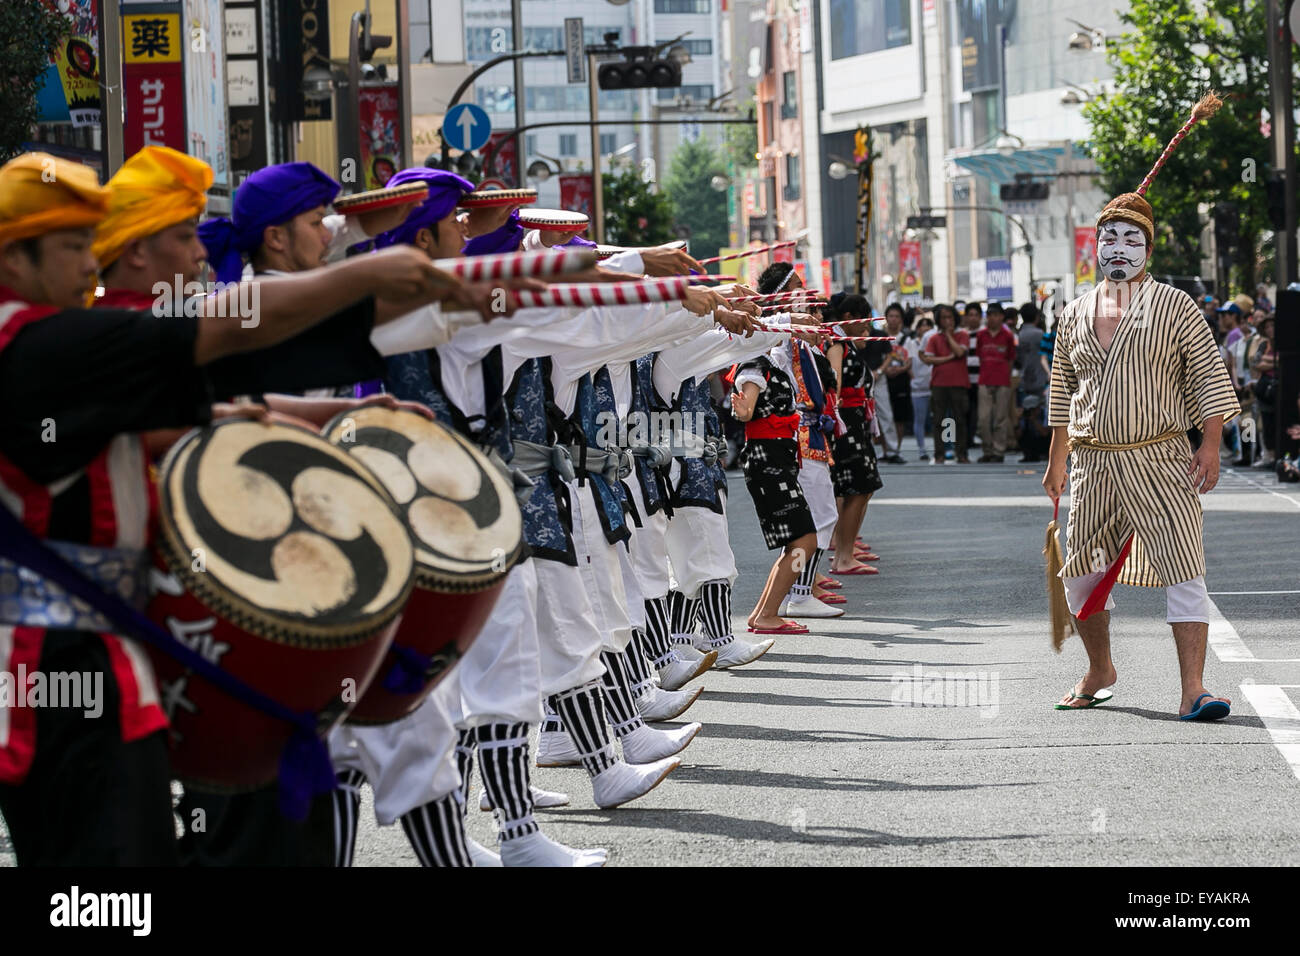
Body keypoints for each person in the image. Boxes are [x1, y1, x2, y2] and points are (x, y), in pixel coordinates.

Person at [0, 151, 450, 865]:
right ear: (12, 260)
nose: (87, 265)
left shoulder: (60, 339)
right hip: (60, 666)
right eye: (69, 248)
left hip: (112, 648)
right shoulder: (39, 345)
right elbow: (221, 340)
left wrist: (317, 408)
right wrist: (362, 276)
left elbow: (227, 380)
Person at [1043, 92, 1241, 721]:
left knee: (1185, 567)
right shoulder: (1072, 312)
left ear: (1148, 250)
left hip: (1161, 455)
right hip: (1094, 461)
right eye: (1109, 237)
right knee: (1078, 572)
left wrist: (1208, 444)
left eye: (1132, 238)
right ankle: (1100, 666)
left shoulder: (1176, 306)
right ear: (1094, 246)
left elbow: (1208, 375)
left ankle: (1193, 691)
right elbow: (1062, 391)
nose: (1119, 247)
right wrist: (1057, 460)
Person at [730, 314, 825, 634]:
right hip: (767, 462)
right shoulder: (754, 367)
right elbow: (744, 411)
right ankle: (769, 612)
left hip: (776, 460)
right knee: (804, 541)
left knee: (800, 541)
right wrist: (740, 407)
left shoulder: (765, 364)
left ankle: (764, 613)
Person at [825, 294, 883, 573]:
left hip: (855, 422)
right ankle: (843, 555)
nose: (867, 329)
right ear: (848, 317)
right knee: (855, 487)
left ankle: (846, 552)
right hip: (845, 424)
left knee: (861, 487)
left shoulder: (844, 342)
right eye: (863, 322)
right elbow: (834, 384)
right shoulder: (835, 343)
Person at [924, 304, 971, 463]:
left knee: (960, 420)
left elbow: (959, 352)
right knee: (938, 420)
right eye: (943, 318)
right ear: (938, 320)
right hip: (938, 383)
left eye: (950, 317)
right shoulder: (933, 338)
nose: (947, 321)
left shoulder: (963, 335)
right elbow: (928, 358)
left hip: (959, 383)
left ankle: (962, 454)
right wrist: (947, 358)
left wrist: (949, 336)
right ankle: (939, 454)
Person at [975, 302, 1017, 462]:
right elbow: (980, 356)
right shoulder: (981, 335)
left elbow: (1011, 359)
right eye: (990, 315)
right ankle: (987, 451)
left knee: (1001, 417)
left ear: (1001, 317)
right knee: (983, 418)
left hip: (1002, 381)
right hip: (984, 380)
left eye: (996, 315)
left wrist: (1005, 376)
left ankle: (998, 452)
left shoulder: (1008, 336)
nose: (993, 318)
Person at [881, 302, 912, 463]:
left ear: (901, 319)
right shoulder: (879, 336)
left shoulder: (907, 338)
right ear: (886, 318)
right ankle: (886, 450)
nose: (893, 319)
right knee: (884, 416)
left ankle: (896, 450)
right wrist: (885, 370)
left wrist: (898, 370)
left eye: (897, 316)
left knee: (899, 418)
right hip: (883, 380)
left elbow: (910, 361)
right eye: (891, 316)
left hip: (901, 380)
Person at [905, 313, 936, 461]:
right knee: (920, 419)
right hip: (918, 387)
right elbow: (909, 364)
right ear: (917, 329)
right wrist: (914, 378)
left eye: (928, 325)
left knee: (943, 419)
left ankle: (945, 447)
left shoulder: (936, 341)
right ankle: (922, 449)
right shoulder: (912, 343)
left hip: (936, 385)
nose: (925, 328)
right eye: (922, 325)